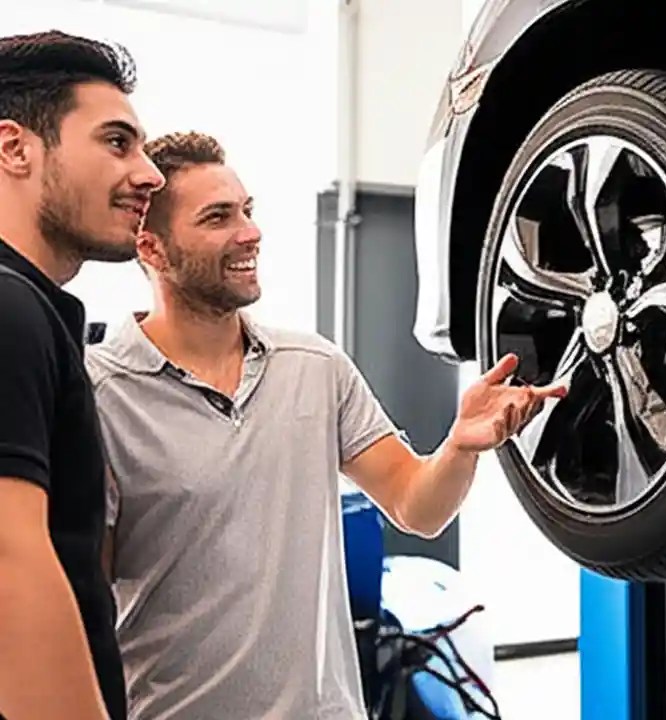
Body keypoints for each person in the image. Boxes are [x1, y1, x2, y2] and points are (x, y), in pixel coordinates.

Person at [84, 130, 563, 719]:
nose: (250, 233)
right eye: (217, 218)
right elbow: (81, 606)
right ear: (151, 249)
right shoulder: (100, 393)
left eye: (247, 210)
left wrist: (460, 446)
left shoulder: (313, 366)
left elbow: (418, 507)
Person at [0, 30, 164, 720]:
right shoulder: (10, 310)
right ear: (15, 149)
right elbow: (8, 560)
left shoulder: (32, 312)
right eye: (117, 142)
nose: (151, 174)